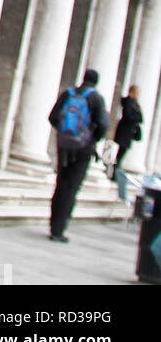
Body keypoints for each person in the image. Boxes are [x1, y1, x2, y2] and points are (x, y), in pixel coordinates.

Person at [48, 68, 109, 242]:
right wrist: (91, 139)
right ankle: (59, 230)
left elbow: (52, 117)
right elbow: (103, 125)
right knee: (72, 187)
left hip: (65, 146)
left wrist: (64, 132)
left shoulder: (68, 93)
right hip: (83, 149)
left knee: (61, 184)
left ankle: (53, 224)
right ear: (96, 81)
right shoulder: (96, 98)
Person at [111, 84, 144, 181]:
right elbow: (131, 116)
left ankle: (116, 173)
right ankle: (115, 173)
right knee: (120, 154)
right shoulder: (129, 102)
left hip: (128, 132)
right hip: (125, 132)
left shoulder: (134, 103)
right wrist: (137, 117)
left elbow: (141, 118)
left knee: (121, 154)